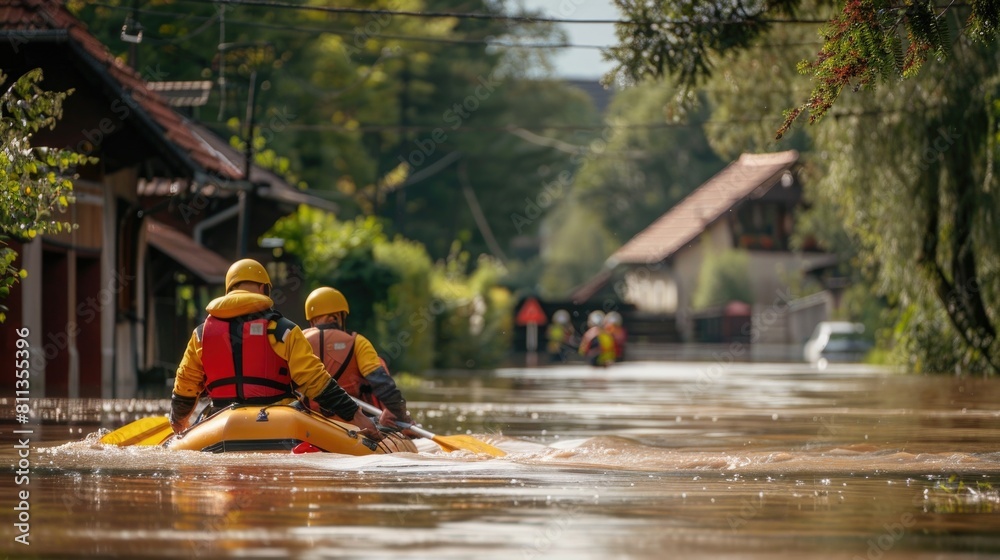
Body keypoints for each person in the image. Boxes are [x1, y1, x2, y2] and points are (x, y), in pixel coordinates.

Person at [169, 259, 380, 440]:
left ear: (229, 291)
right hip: (278, 420)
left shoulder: (201, 334)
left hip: (220, 419)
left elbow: (185, 386)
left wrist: (179, 424)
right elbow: (316, 382)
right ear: (264, 289)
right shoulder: (281, 329)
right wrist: (357, 417)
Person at [301, 286, 416, 436]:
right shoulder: (357, 342)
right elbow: (383, 385)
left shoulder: (298, 341)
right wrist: (400, 416)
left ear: (312, 319)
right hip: (353, 422)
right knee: (379, 362)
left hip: (307, 421)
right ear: (336, 317)